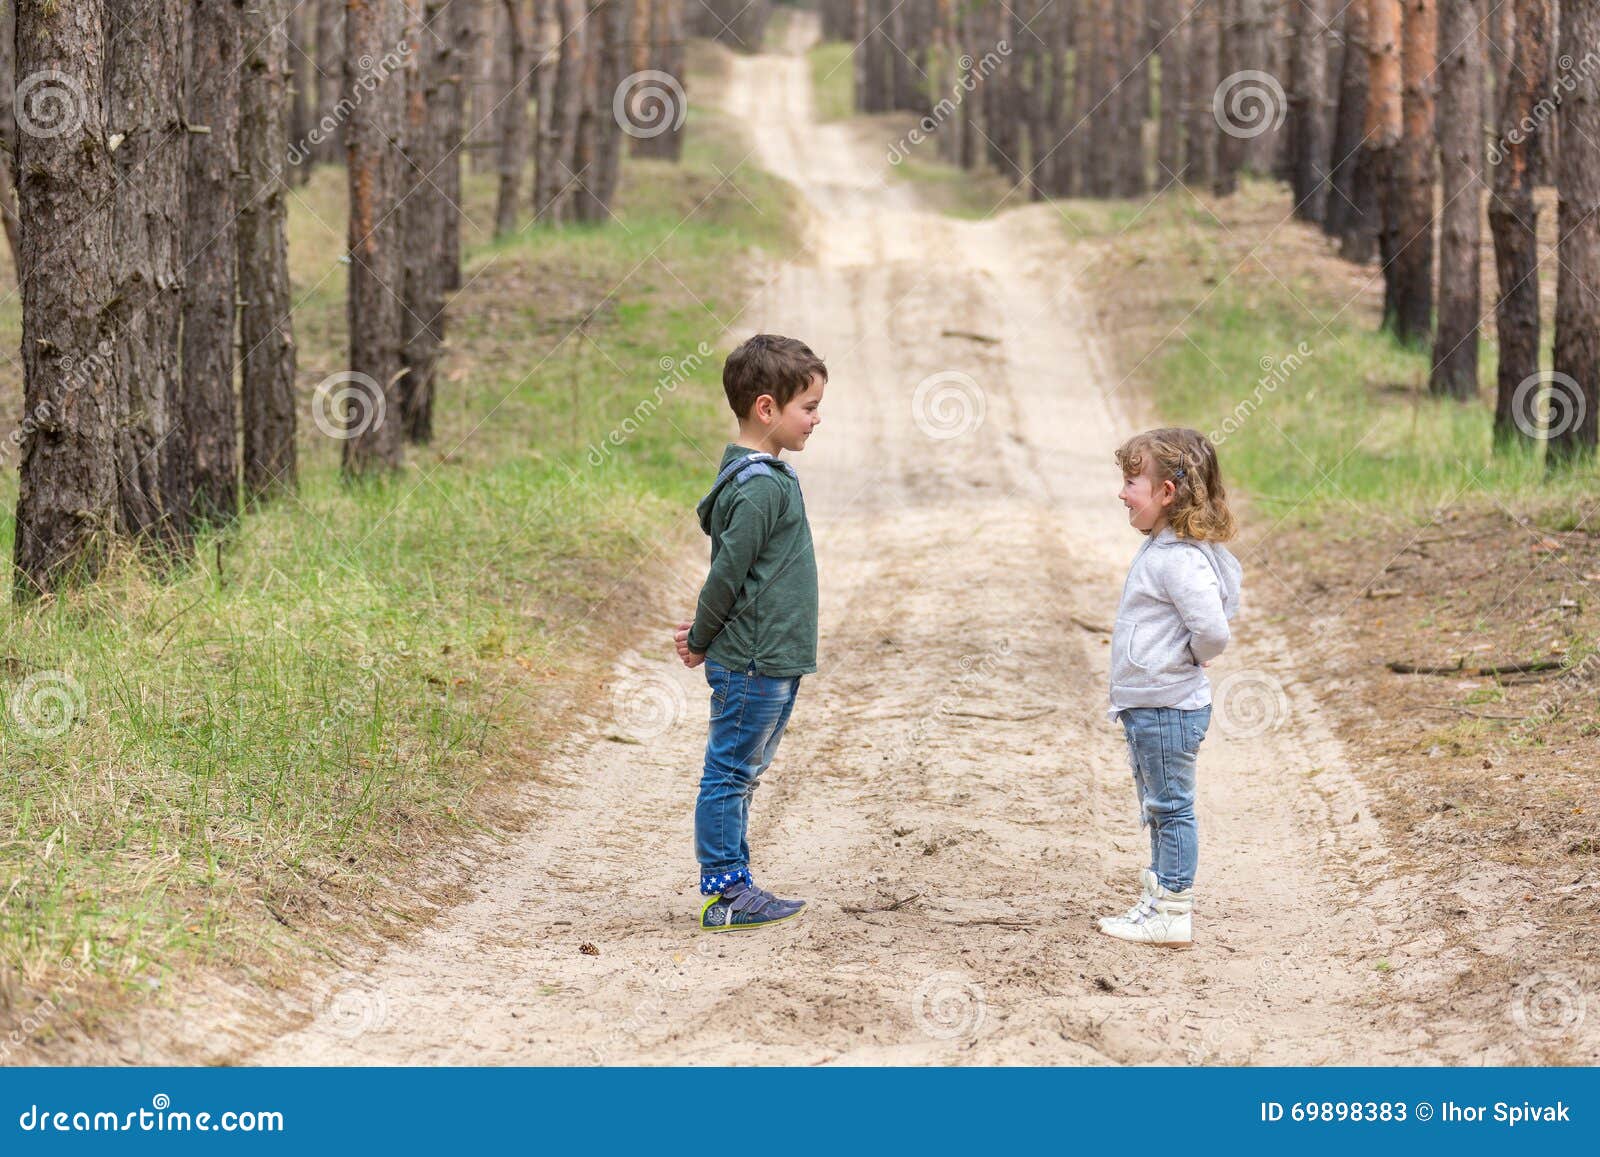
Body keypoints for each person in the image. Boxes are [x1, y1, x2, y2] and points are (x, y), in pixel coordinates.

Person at [673, 334, 826, 931]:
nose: (816, 420)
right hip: (753, 659)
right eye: (807, 408)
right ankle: (726, 892)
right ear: (767, 408)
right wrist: (703, 638)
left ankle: (735, 884)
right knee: (729, 772)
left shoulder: (763, 476)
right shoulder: (759, 484)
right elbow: (726, 576)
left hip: (774, 658)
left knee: (743, 772)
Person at [1100, 427, 1242, 947]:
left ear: (1167, 493)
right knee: (1158, 807)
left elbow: (1213, 630)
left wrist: (1189, 659)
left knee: (1170, 808)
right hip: (1152, 704)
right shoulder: (1165, 548)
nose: (1122, 492)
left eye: (1132, 481)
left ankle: (1174, 910)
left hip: (1167, 705)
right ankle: (1159, 900)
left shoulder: (1179, 558)